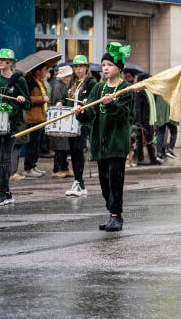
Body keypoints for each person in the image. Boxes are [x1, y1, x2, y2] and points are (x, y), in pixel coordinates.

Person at [74, 43, 134, 231]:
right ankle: (112, 213)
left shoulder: (126, 89)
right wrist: (80, 112)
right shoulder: (98, 89)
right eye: (103, 65)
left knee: (115, 180)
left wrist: (111, 105)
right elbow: (90, 114)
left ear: (119, 68)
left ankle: (116, 215)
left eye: (109, 64)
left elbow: (125, 115)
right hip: (100, 141)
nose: (105, 68)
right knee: (104, 182)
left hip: (116, 142)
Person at [0, 48, 31, 206]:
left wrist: (21, 99)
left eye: (3, 60)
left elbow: (28, 104)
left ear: (10, 63)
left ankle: (1, 192)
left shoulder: (19, 80)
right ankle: (7, 192)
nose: (0, 62)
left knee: (5, 157)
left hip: (12, 123)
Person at [59, 55, 97, 196]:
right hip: (71, 119)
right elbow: (65, 98)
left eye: (81, 66)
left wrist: (88, 101)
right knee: (73, 151)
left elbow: (95, 98)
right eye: (76, 66)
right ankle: (77, 181)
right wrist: (61, 102)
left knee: (78, 149)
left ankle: (80, 182)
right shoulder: (72, 83)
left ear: (86, 67)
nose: (78, 69)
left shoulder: (91, 82)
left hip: (85, 121)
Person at [24, 63, 51, 178]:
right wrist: (41, 99)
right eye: (44, 70)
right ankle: (28, 168)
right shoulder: (29, 81)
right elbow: (26, 98)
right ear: (38, 70)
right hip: (33, 118)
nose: (46, 72)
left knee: (37, 144)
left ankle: (33, 165)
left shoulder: (40, 81)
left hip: (41, 116)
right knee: (32, 143)